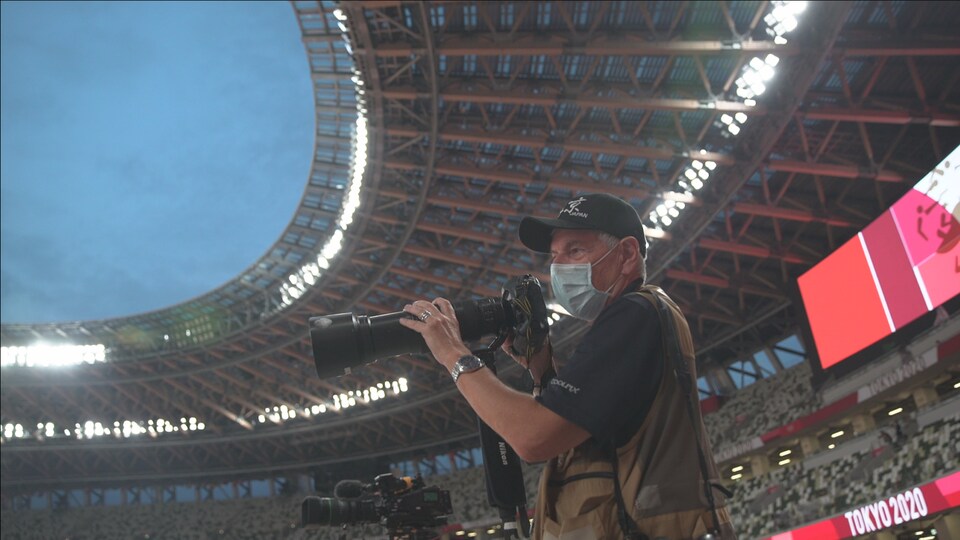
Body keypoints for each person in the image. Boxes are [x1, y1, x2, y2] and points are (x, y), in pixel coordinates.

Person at [398, 193, 735, 539]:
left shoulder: (635, 314)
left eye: (576, 251)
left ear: (627, 254)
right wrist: (542, 369)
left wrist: (453, 353)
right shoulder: (642, 318)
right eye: (555, 257)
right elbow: (585, 439)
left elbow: (533, 438)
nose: (559, 267)